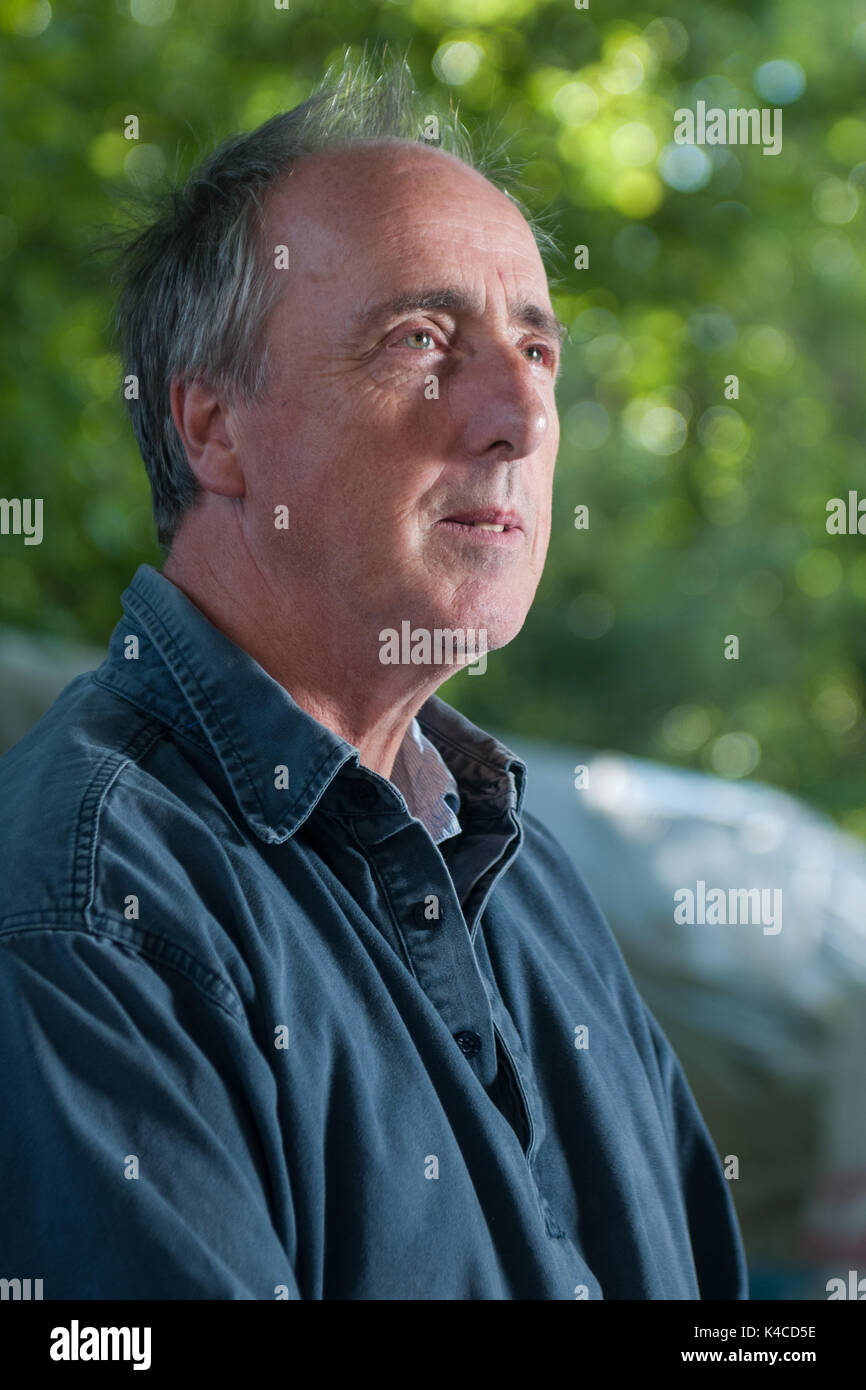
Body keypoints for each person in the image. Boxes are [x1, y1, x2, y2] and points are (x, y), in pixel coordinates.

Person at [0, 53, 748, 1300]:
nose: (517, 412)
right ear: (212, 427)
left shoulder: (522, 873)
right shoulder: (89, 907)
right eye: (421, 340)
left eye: (536, 349)